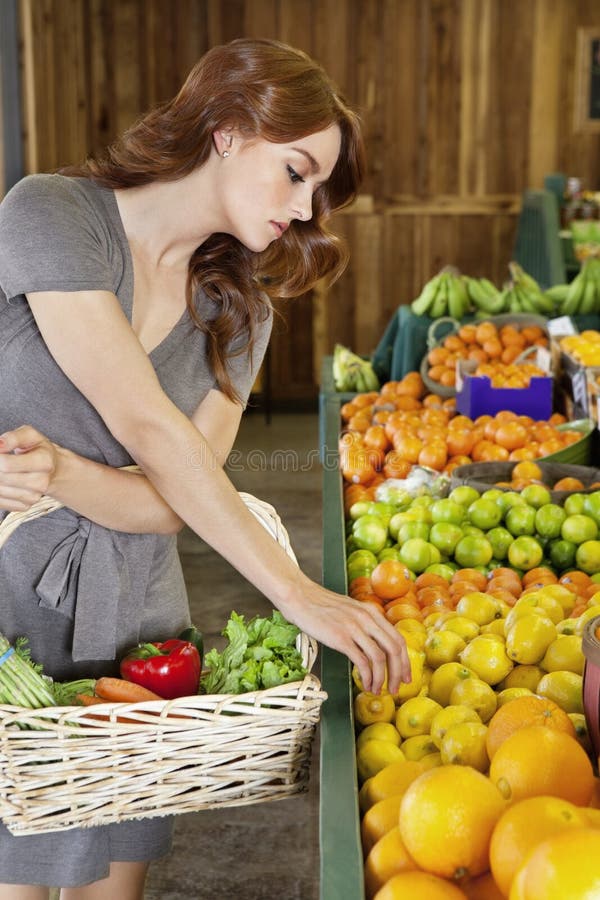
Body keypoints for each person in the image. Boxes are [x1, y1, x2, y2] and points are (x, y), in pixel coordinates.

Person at [0, 37, 410, 898]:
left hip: (137, 625)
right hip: (9, 600)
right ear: (228, 126)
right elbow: (148, 423)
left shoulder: (238, 310)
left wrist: (63, 475)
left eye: (319, 191)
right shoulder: (53, 214)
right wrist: (297, 593)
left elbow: (176, 504)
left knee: (116, 878)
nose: (304, 210)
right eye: (296, 172)